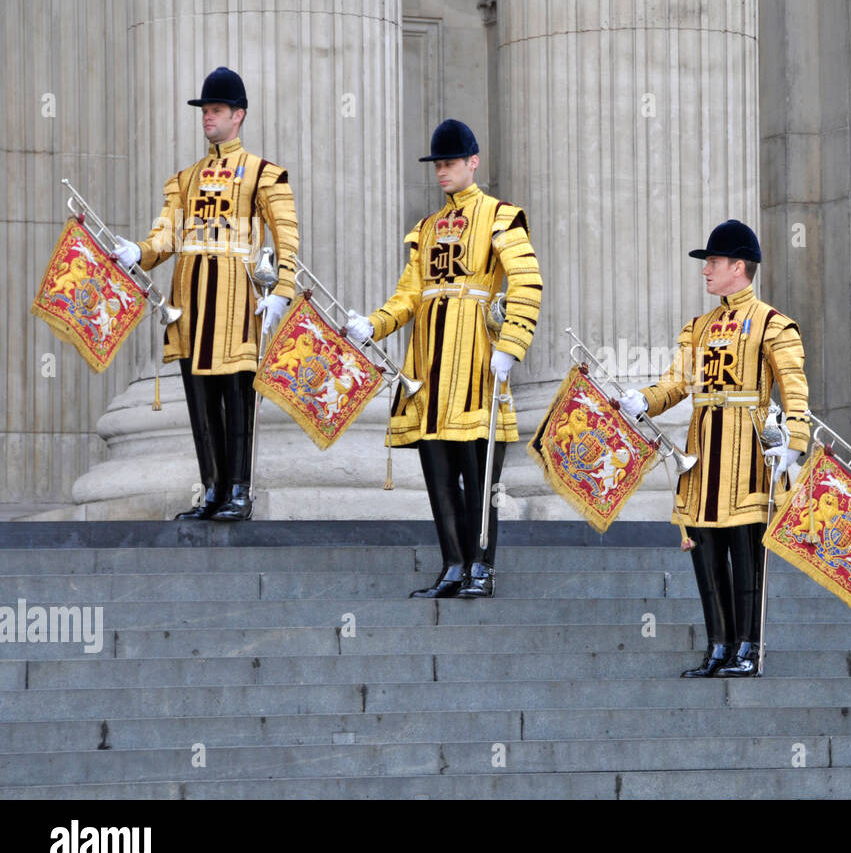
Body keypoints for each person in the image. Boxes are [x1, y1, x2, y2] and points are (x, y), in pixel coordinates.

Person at [345, 119, 542, 600]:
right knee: (438, 475)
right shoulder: (426, 229)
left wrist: (511, 346)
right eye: (437, 164)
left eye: (450, 163)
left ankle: (481, 567)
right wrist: (374, 323)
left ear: (473, 162)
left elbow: (528, 283)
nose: (442, 172)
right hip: (428, 370)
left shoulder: (501, 216)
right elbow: (408, 297)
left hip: (476, 360)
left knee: (477, 474)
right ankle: (453, 564)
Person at [621, 220, 810, 677]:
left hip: (748, 453)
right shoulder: (698, 328)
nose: (705, 270)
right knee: (707, 557)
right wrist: (644, 398)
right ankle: (719, 644)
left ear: (738, 267)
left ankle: (748, 645)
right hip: (703, 456)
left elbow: (794, 388)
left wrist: (796, 442)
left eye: (713, 262)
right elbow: (677, 383)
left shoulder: (773, 323)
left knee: (746, 557)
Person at [113, 67, 298, 521]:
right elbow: (166, 236)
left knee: (236, 394)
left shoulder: (264, 174)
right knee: (200, 397)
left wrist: (283, 291)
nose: (207, 118)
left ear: (239, 115)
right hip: (191, 300)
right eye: (204, 111)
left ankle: (239, 489)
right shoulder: (185, 178)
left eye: (215, 110)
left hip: (237, 297)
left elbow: (287, 238)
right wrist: (139, 249)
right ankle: (213, 488)